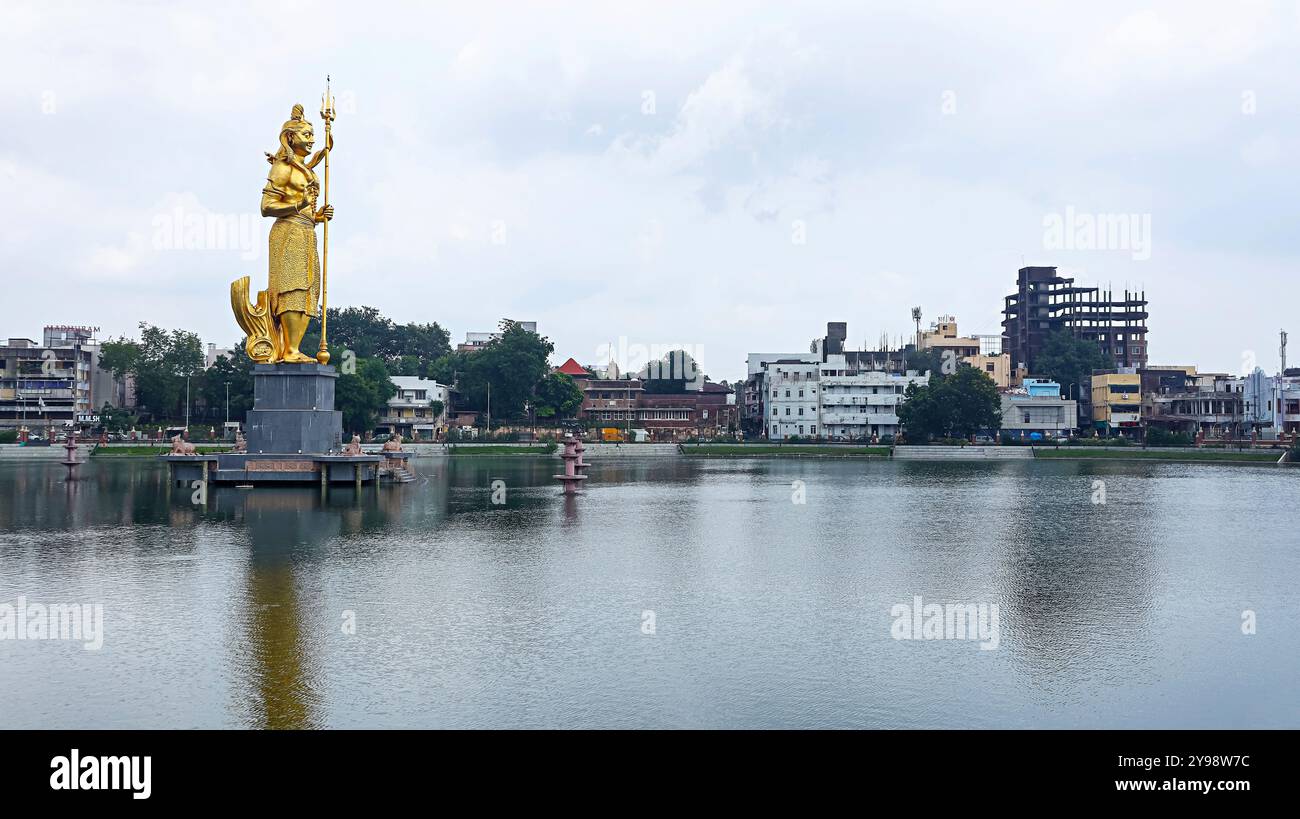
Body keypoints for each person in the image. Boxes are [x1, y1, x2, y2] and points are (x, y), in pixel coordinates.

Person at [260, 104, 334, 363]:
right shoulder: (282, 168)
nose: (311, 139)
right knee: (292, 288)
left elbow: (325, 150)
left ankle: (294, 347)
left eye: (312, 135)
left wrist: (316, 216)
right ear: (290, 137)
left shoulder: (307, 169)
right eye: (306, 135)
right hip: (288, 232)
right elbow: (266, 207)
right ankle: (289, 350)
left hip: (306, 232)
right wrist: (298, 205)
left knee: (308, 292)